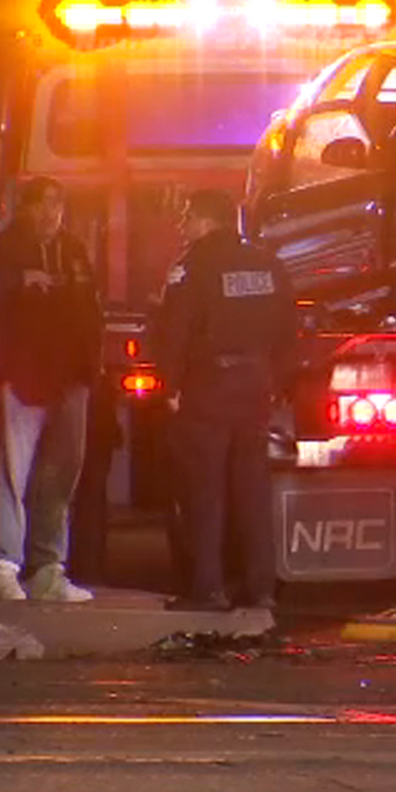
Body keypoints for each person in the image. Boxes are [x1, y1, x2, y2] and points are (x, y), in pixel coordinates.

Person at [152, 189, 295, 612]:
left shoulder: (192, 266)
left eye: (187, 218)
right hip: (255, 386)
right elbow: (290, 329)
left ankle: (206, 588)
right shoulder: (270, 264)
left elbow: (173, 332)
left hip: (209, 387)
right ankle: (261, 589)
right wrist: (275, 380)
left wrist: (170, 387)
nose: (183, 227)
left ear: (204, 220)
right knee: (252, 492)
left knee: (203, 491)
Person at [0, 176, 100, 601]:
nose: (51, 213)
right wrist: (18, 279)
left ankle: (48, 569)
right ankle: (5, 565)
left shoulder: (74, 250)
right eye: (42, 204)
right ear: (25, 208)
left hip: (70, 377)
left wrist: (90, 368)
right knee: (13, 471)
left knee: (59, 475)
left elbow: (89, 310)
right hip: (24, 374)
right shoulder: (6, 250)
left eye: (57, 203)